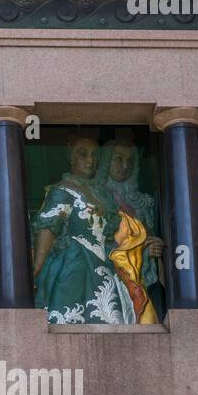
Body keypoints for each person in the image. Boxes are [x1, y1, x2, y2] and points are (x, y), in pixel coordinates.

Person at [32, 135, 135, 324]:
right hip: (74, 266)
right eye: (83, 154)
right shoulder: (62, 190)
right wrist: (36, 267)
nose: (90, 160)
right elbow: (48, 227)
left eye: (95, 155)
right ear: (71, 158)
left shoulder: (101, 195)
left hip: (105, 266)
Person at [98, 139, 163, 323]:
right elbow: (99, 244)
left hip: (143, 279)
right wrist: (143, 249)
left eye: (130, 161)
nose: (125, 165)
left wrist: (154, 245)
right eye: (118, 159)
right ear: (106, 162)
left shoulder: (143, 202)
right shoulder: (97, 199)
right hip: (110, 279)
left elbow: (146, 236)